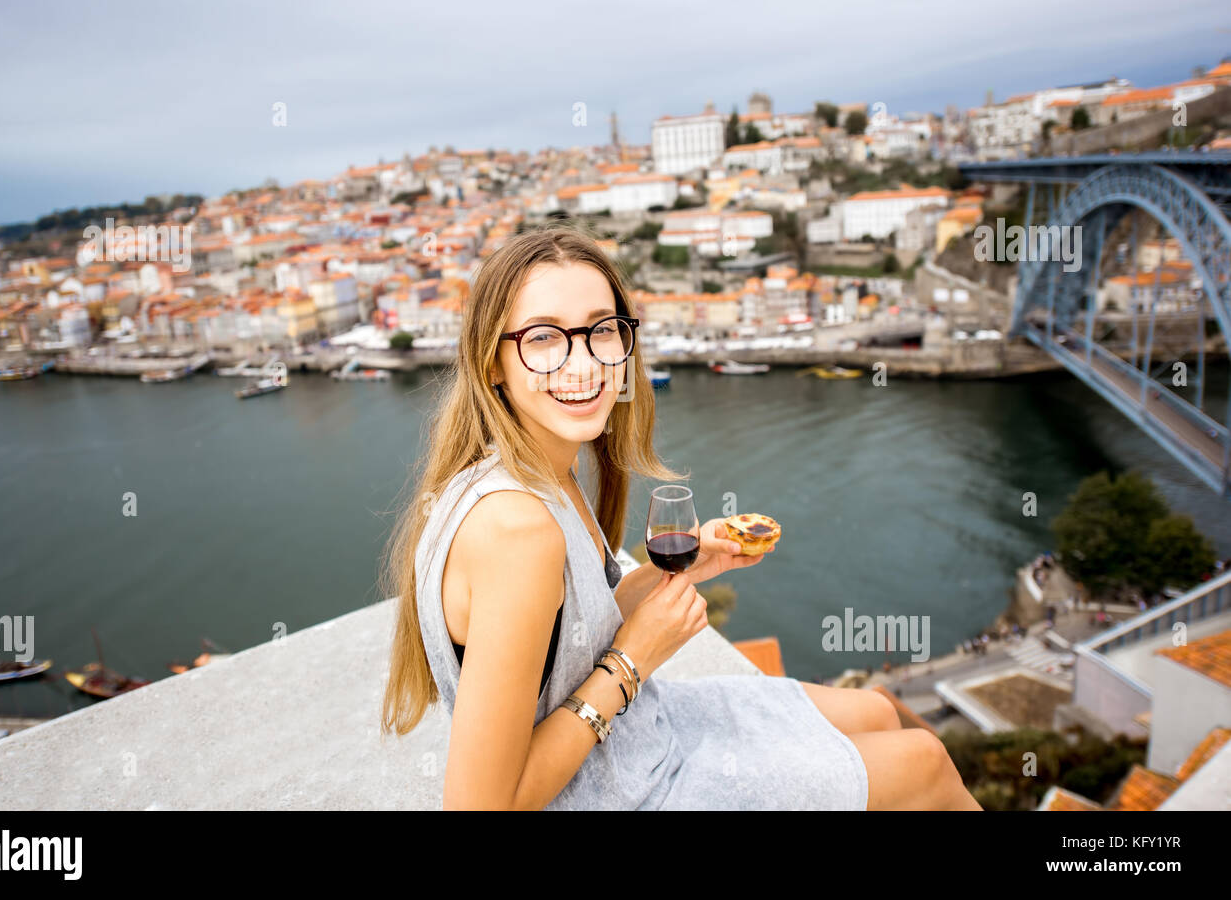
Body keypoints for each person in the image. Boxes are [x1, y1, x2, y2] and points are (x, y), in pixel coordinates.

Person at [378, 226, 980, 810]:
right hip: (612, 786)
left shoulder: (530, 467)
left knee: (877, 710)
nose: (582, 362)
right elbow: (480, 805)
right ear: (491, 363)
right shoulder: (517, 530)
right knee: (924, 760)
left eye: (601, 330)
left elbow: (574, 626)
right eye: (542, 338)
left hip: (625, 742)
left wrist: (688, 565)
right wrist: (631, 662)